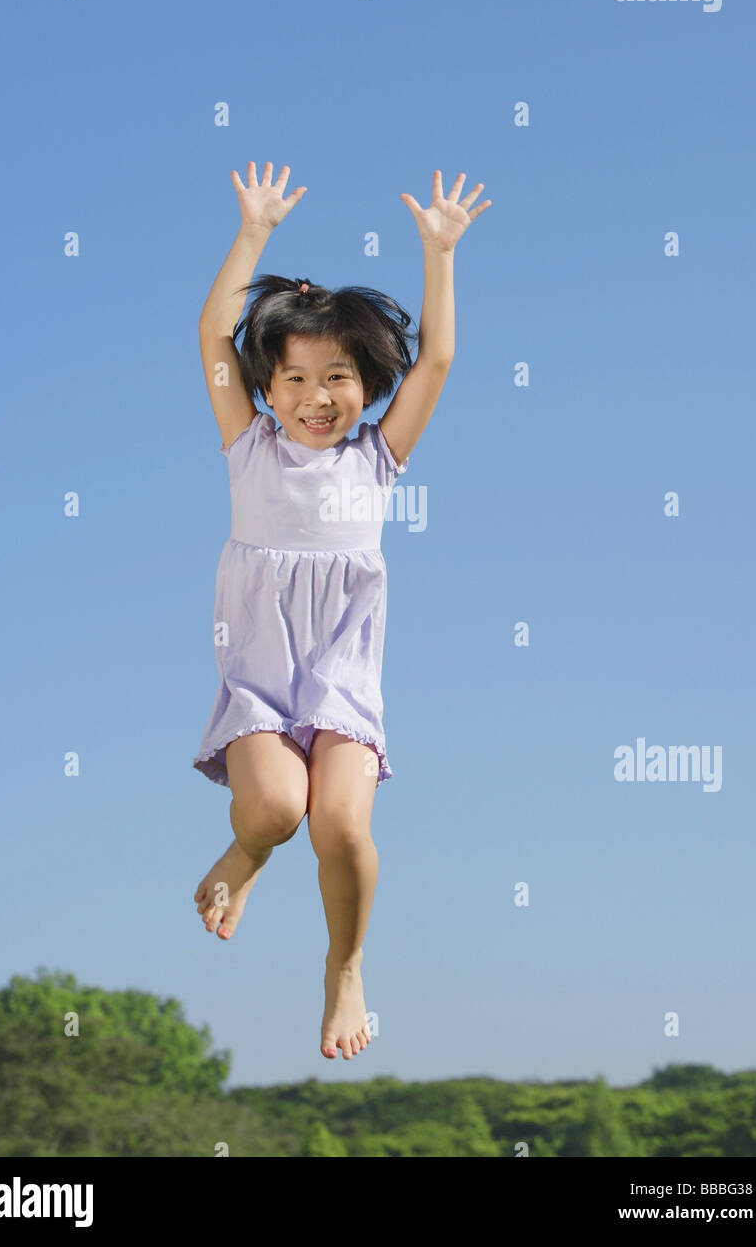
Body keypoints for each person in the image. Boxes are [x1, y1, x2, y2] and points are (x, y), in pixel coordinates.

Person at [192, 161, 491, 1060]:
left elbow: (437, 356)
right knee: (278, 811)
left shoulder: (377, 461)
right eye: (294, 380)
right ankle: (243, 859)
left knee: (342, 825)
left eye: (338, 379)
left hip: (343, 680)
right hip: (258, 678)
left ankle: (345, 965)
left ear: (367, 386)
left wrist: (437, 252)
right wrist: (254, 231)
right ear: (266, 386)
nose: (317, 399)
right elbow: (211, 333)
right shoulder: (247, 449)